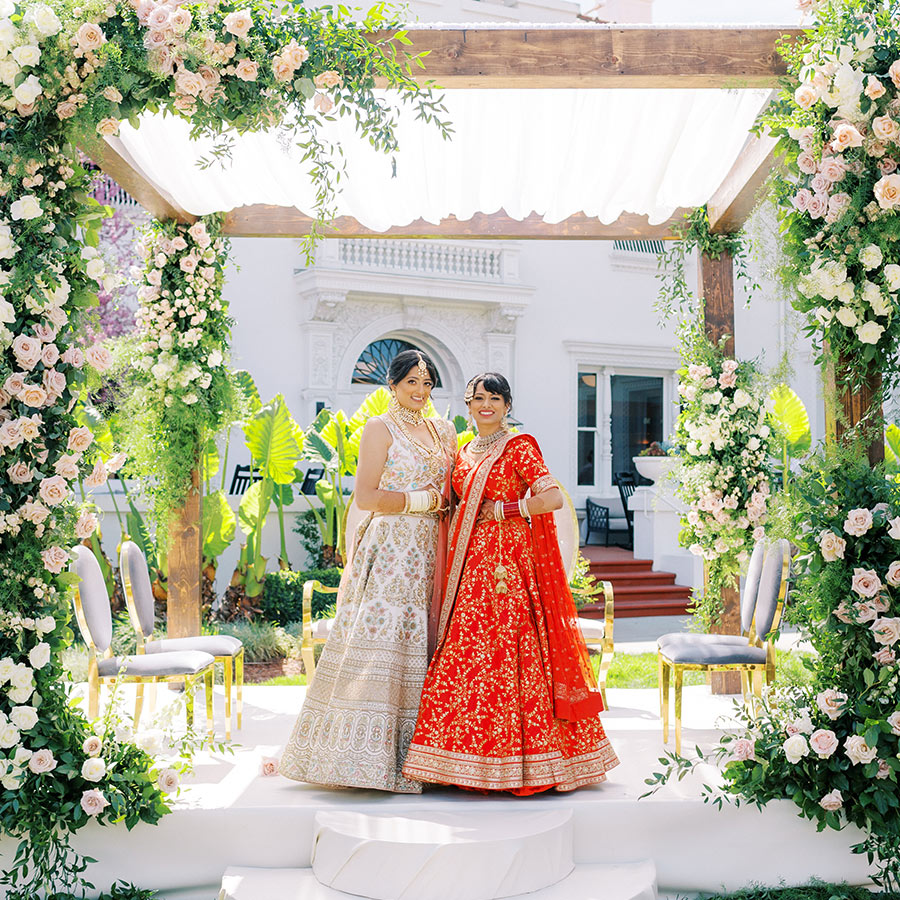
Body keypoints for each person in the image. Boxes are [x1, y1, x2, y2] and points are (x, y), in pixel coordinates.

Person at [402, 372, 619, 794]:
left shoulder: (519, 446)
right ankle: (460, 761)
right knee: (465, 651)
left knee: (510, 651)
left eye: (495, 399)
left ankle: (525, 765)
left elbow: (551, 497)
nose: (486, 406)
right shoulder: (463, 452)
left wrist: (506, 509)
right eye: (479, 398)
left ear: (507, 406)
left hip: (509, 569)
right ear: (468, 405)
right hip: (471, 567)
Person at [279, 350, 457, 792]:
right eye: (411, 382)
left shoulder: (445, 431)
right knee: (382, 643)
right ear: (392, 385)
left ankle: (425, 757)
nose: (420, 391)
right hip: (392, 549)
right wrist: (422, 501)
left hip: (432, 550)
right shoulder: (380, 428)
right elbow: (366, 497)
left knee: (426, 641)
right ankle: (361, 758)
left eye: (427, 383)